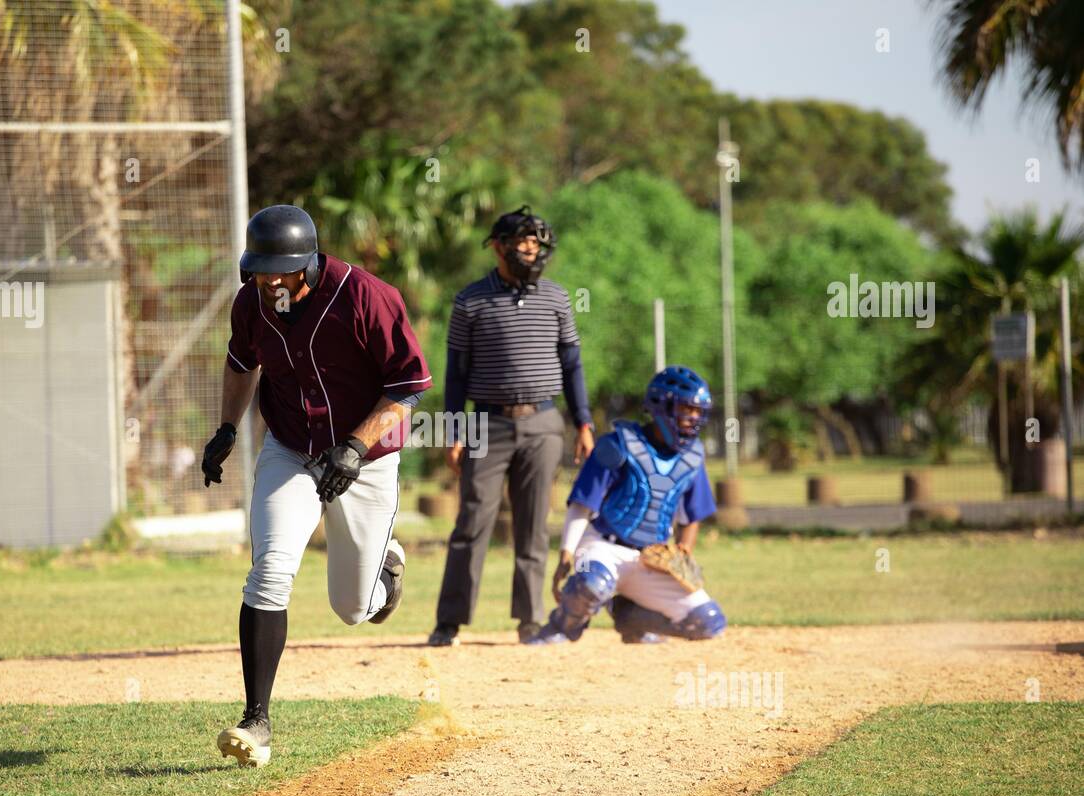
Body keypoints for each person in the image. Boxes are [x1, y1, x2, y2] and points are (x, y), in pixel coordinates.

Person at [201, 204, 431, 766]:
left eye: (281, 270)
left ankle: (385, 573)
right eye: (260, 270)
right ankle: (257, 721)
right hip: (291, 449)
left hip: (366, 457)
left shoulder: (365, 296)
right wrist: (228, 429)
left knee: (353, 608)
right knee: (270, 571)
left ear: (308, 263)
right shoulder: (252, 302)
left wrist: (354, 446)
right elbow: (241, 363)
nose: (270, 281)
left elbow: (408, 385)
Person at [429, 205, 595, 647]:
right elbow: (456, 374)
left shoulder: (558, 298)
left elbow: (573, 365)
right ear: (499, 247)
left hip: (543, 422)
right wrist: (454, 430)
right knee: (471, 522)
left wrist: (584, 423)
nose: (530, 248)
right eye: (522, 240)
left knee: (533, 525)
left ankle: (530, 620)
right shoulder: (470, 300)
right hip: (485, 421)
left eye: (536, 241)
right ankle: (450, 622)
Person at [524, 365, 727, 646]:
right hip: (601, 548)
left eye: (697, 412)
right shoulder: (618, 444)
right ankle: (560, 628)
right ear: (662, 407)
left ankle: (632, 618)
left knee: (708, 621)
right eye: (686, 409)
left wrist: (683, 553)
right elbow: (583, 503)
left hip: (648, 560)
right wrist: (567, 554)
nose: (693, 418)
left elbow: (692, 515)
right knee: (590, 584)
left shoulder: (692, 457)